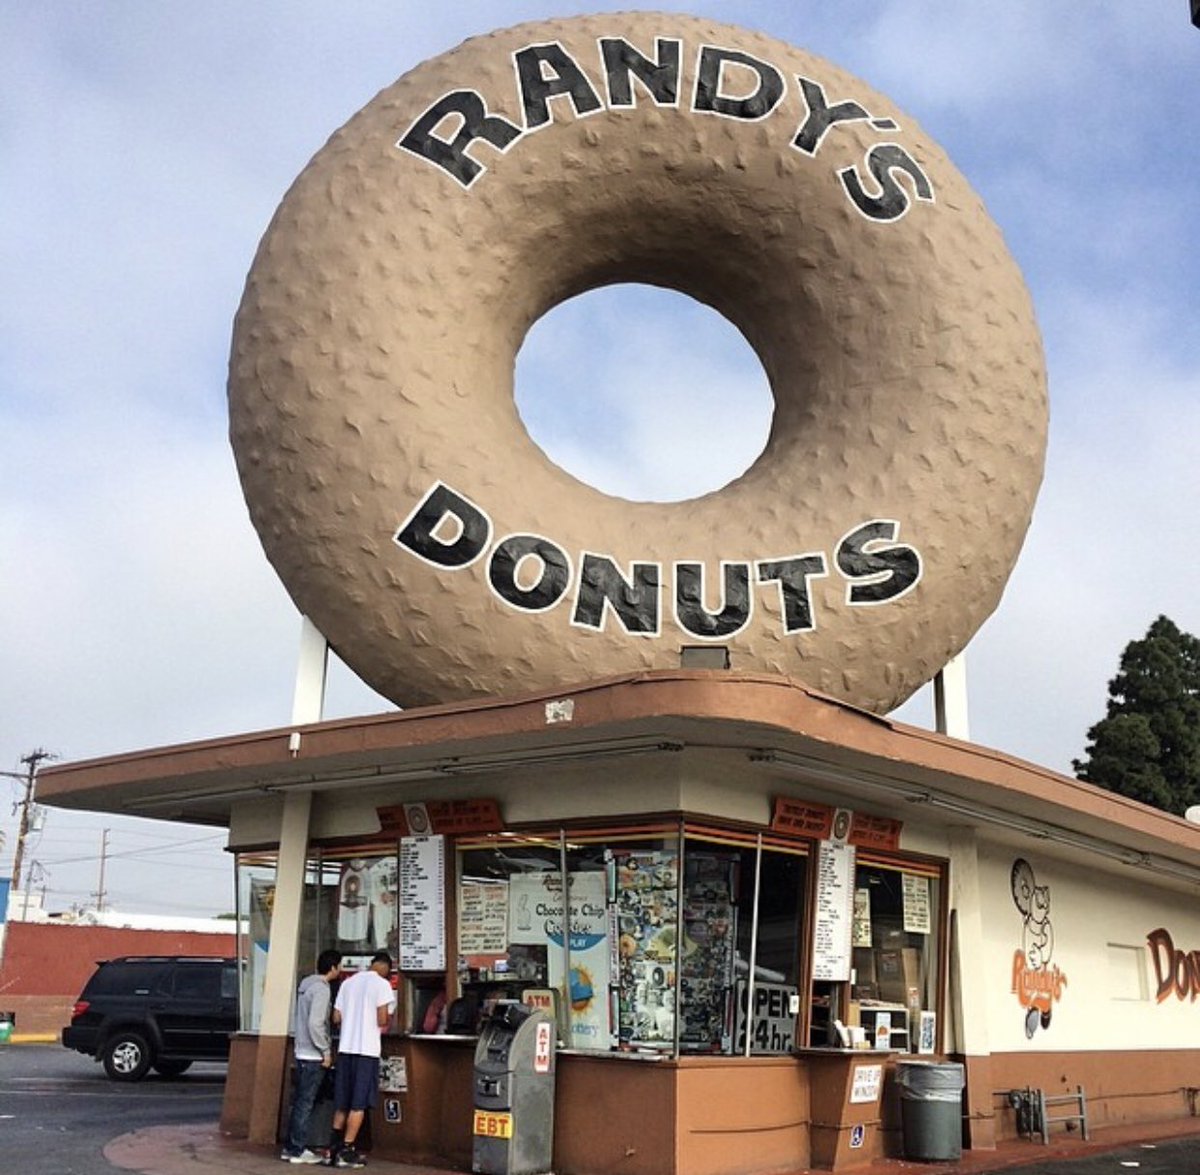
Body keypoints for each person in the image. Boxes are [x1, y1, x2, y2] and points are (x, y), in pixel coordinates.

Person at [329, 950, 396, 1169]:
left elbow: (336, 1017)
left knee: (342, 1102)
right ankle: (347, 1150)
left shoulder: (348, 983)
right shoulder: (382, 985)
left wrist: (352, 1023)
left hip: (346, 1050)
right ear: (386, 969)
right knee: (358, 1104)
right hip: (366, 1051)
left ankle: (332, 1148)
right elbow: (382, 1018)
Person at [280, 948, 342, 1164]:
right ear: (332, 967)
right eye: (339, 966)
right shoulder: (322, 990)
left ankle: (292, 1146)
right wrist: (325, 1050)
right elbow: (316, 1023)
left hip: (301, 1050)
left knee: (300, 1102)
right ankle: (297, 1149)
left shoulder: (305, 986)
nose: (340, 970)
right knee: (305, 1103)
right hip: (313, 1054)